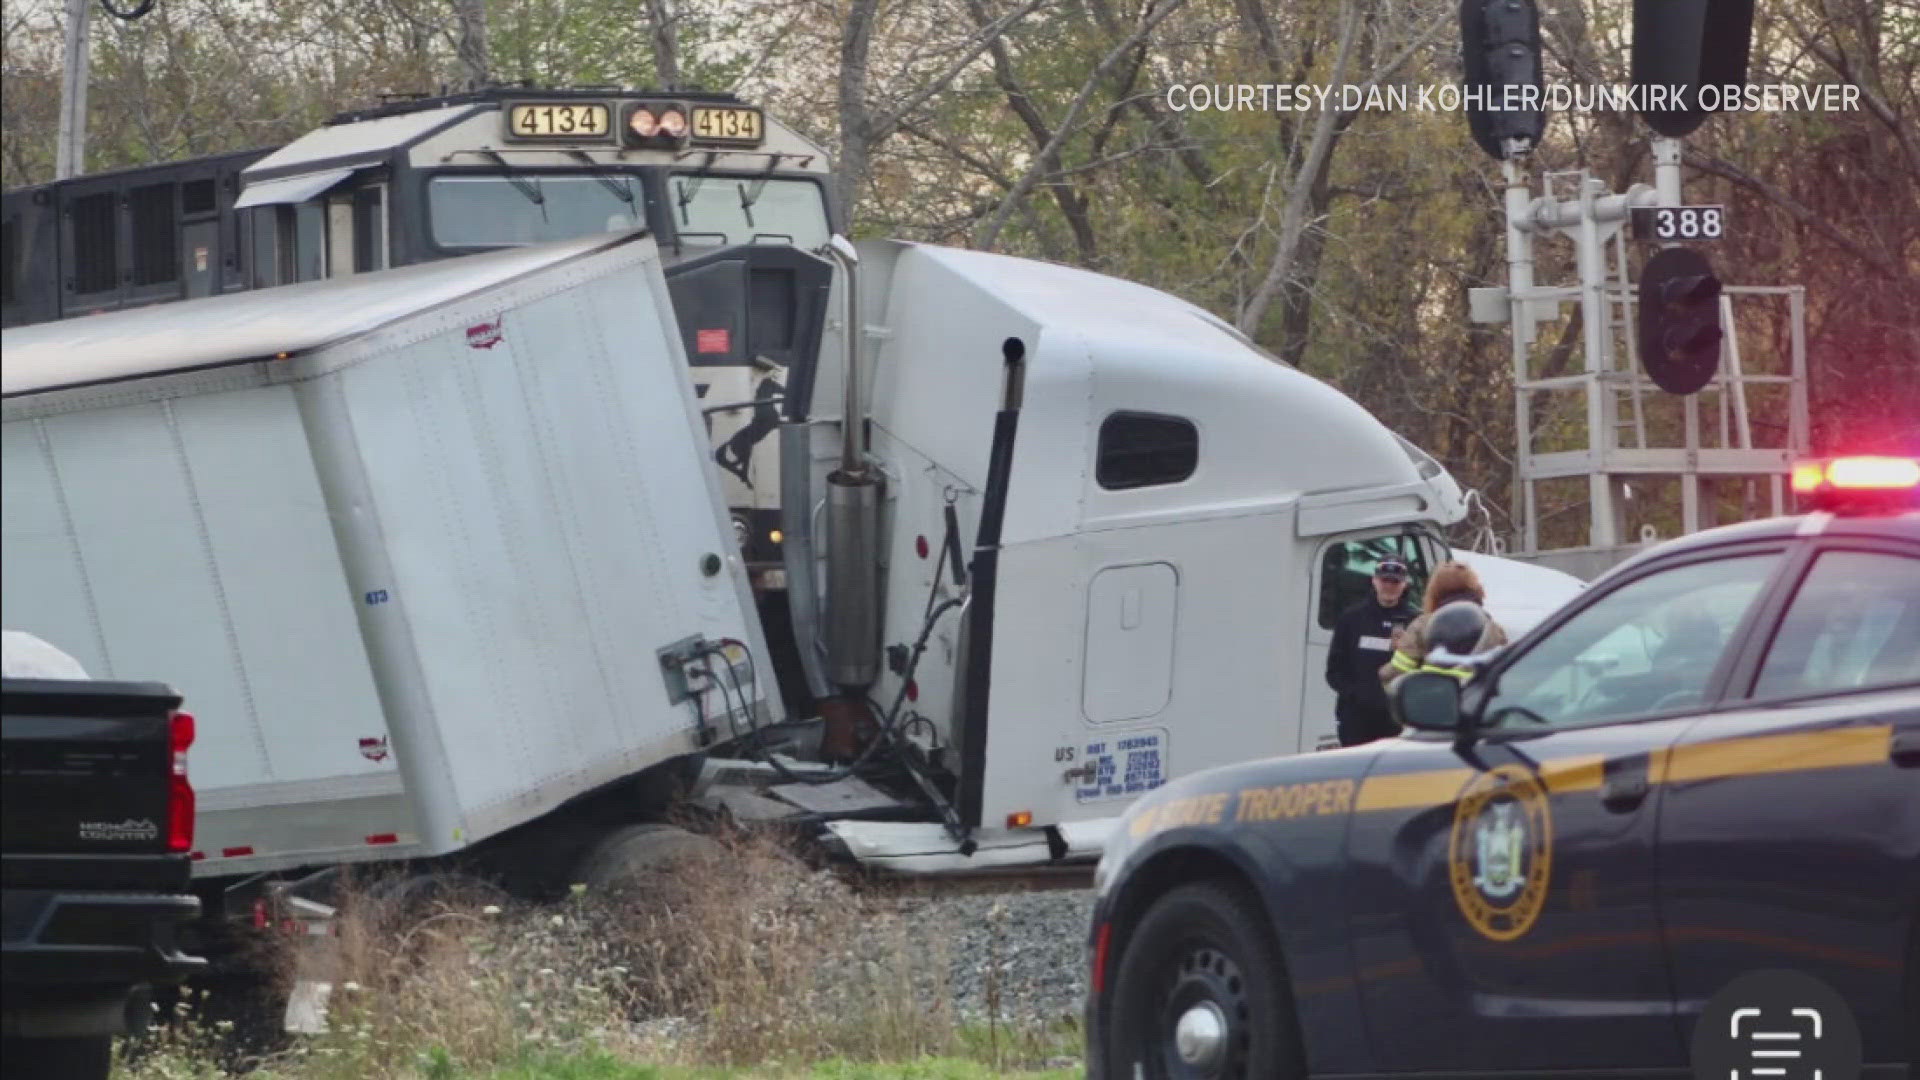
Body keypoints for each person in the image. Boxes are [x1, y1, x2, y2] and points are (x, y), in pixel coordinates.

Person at [1326, 558, 1420, 747]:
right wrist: (1356, 695)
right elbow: (1334, 671)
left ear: (1405, 584)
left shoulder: (1416, 622)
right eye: (1385, 580)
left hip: (1398, 721)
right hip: (1356, 721)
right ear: (1374, 581)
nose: (1389, 586)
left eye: (1395, 581)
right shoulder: (1351, 619)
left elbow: (1425, 668)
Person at [1381, 560, 1508, 687]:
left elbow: (1396, 672)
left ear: (1435, 591)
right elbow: (1505, 675)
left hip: (1433, 700)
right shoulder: (1493, 629)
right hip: (1475, 703)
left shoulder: (1423, 624)